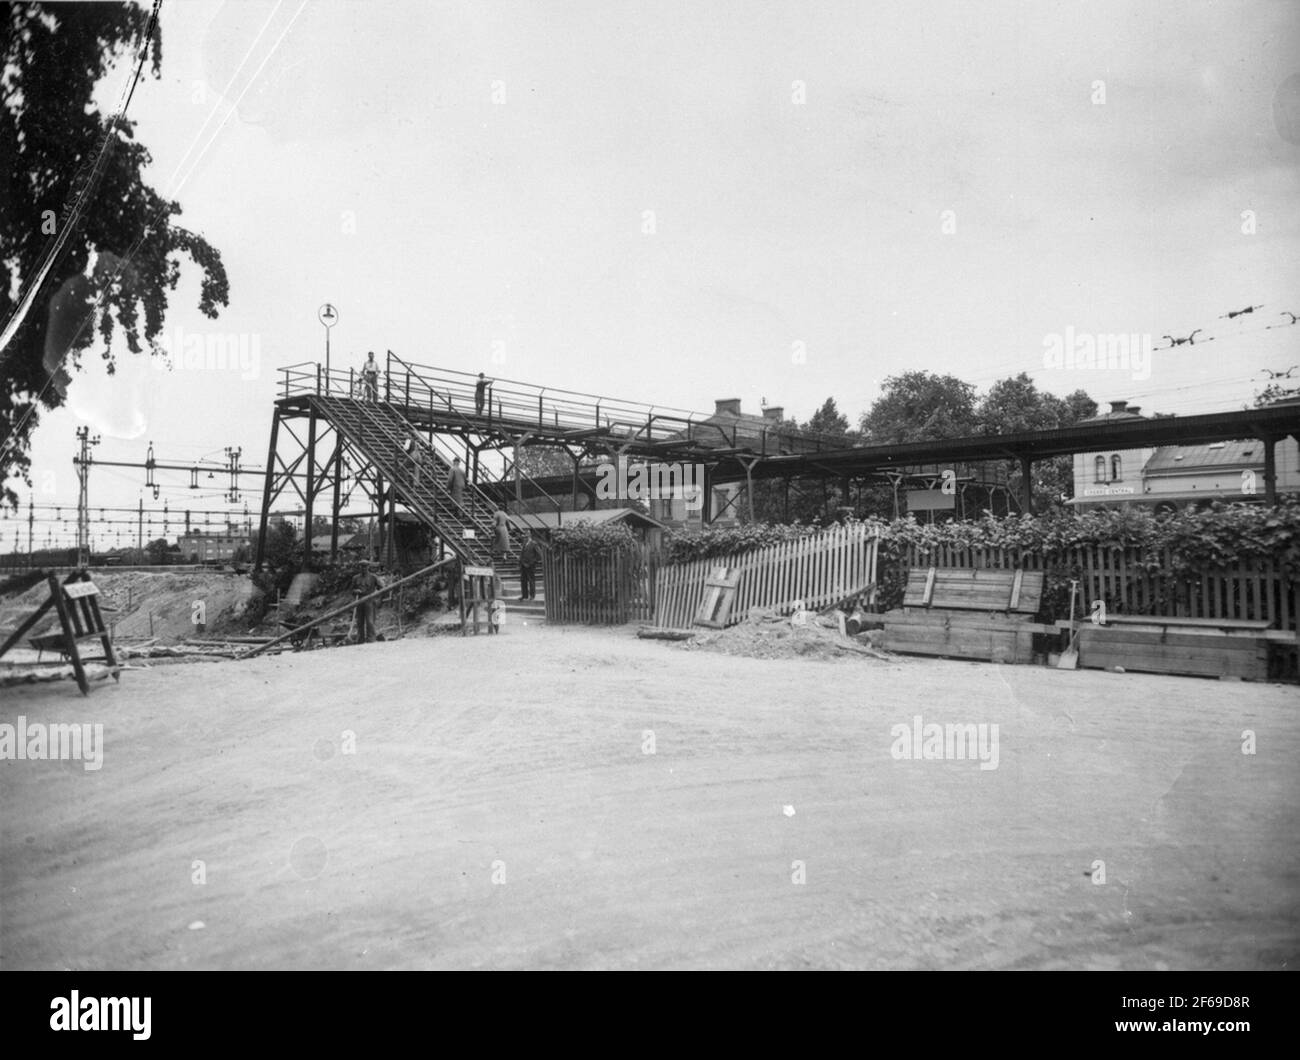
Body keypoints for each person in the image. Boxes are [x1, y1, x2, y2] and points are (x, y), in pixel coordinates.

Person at [352, 561, 382, 644]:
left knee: (370, 621)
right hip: (359, 601)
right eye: (361, 566)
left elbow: (382, 588)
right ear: (359, 567)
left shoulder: (373, 577)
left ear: (368, 567)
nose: (363, 568)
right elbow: (351, 590)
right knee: (359, 621)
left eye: (365, 566)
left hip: (370, 601)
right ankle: (360, 639)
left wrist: (376, 598)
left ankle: (371, 639)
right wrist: (355, 591)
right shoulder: (355, 578)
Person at [518, 531, 541, 600]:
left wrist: (532, 562)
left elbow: (539, 555)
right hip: (523, 565)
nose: (525, 538)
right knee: (523, 580)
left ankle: (532, 595)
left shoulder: (534, 544)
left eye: (526, 537)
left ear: (529, 536)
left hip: (530, 565)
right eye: (524, 537)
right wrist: (520, 561)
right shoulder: (524, 544)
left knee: (531, 580)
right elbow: (522, 554)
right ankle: (524, 595)